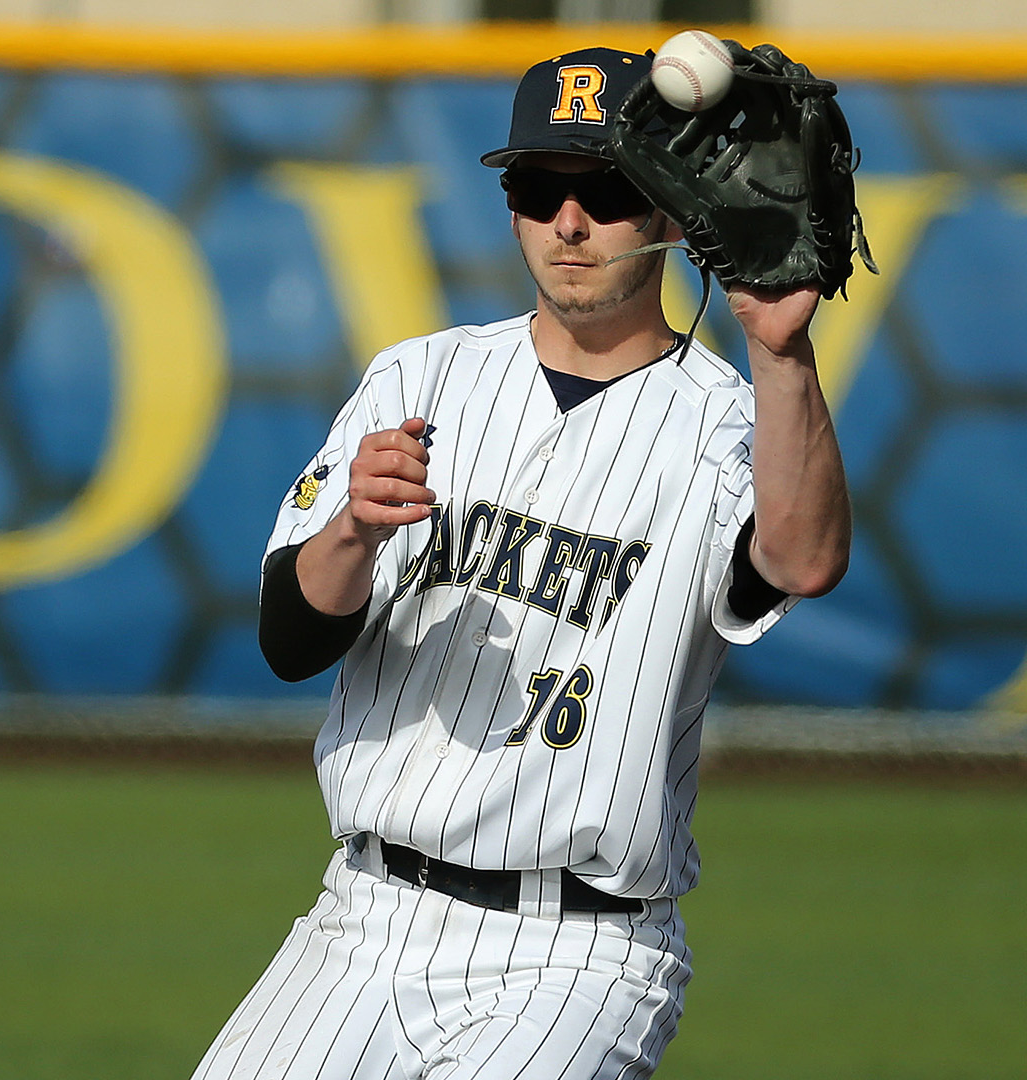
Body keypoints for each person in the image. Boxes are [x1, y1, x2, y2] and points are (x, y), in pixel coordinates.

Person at [192, 45, 851, 1080]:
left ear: (673, 210)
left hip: (578, 953)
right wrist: (353, 532)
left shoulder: (728, 424)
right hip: (362, 916)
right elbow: (289, 638)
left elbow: (803, 561)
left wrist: (781, 356)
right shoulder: (423, 375)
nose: (570, 223)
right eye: (540, 190)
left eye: (608, 191)